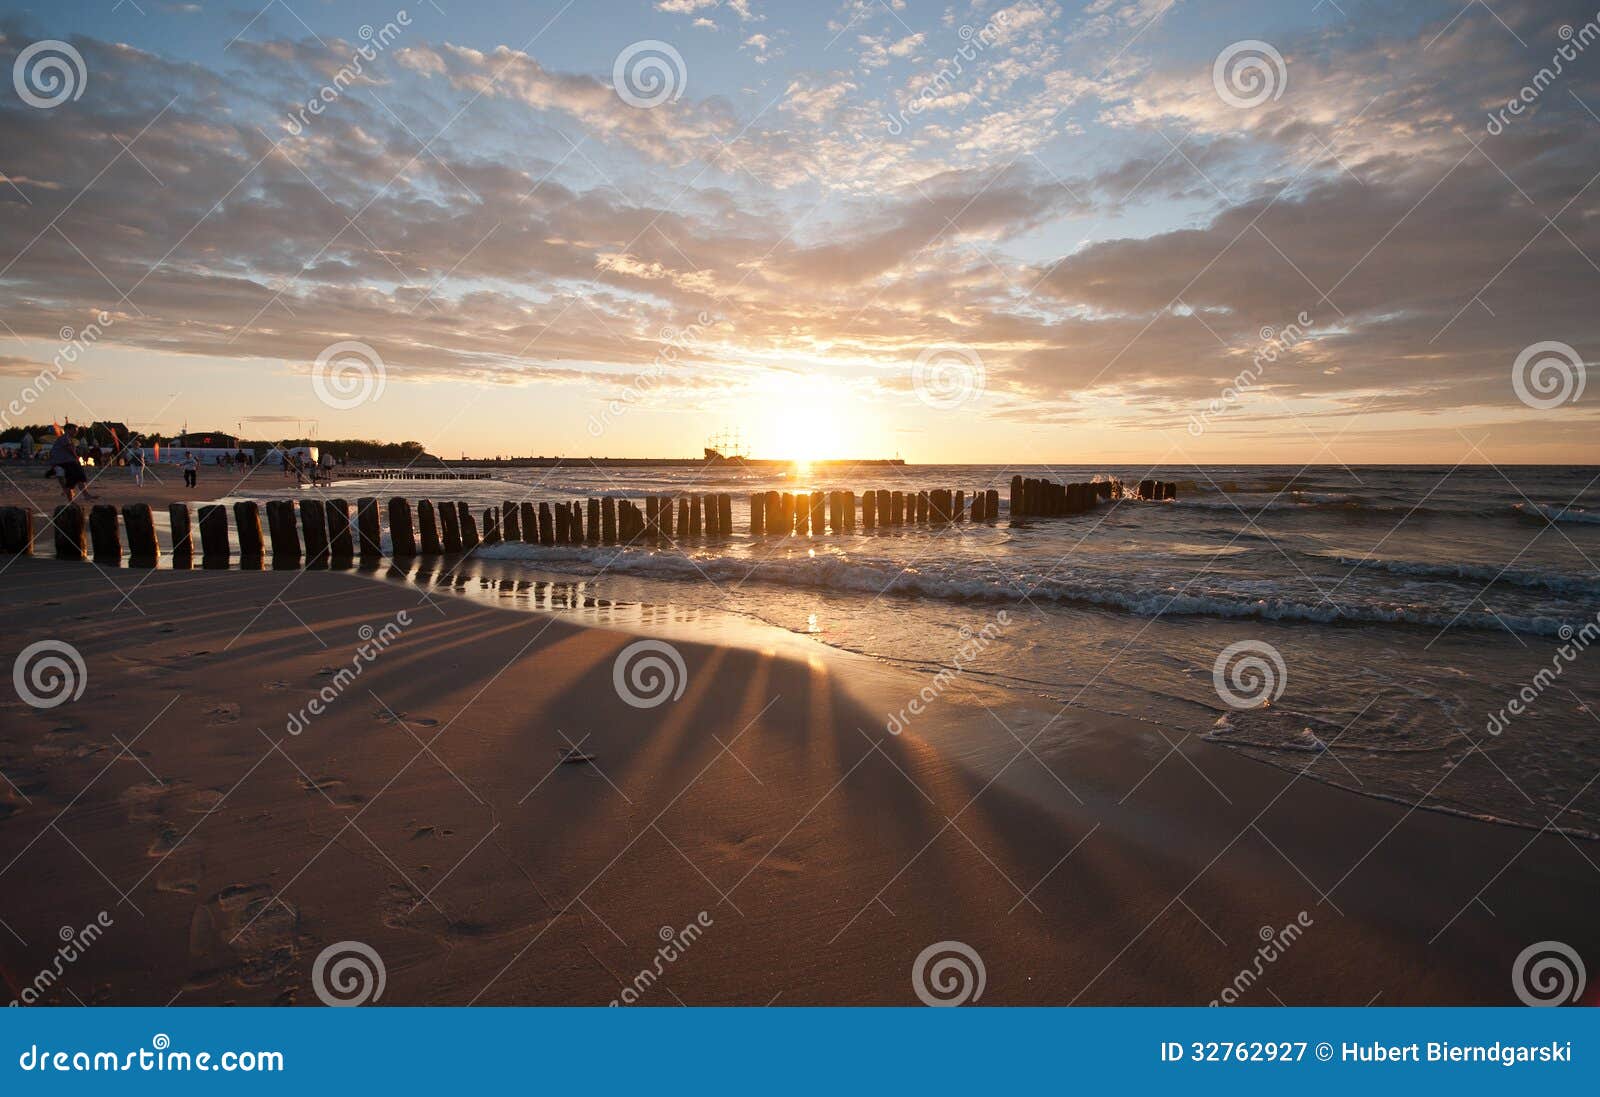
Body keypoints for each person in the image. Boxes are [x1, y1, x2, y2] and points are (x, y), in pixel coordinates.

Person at [47, 424, 89, 501]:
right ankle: (85, 495)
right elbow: (71, 450)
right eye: (74, 430)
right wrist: (77, 459)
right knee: (79, 476)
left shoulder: (65, 438)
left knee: (74, 478)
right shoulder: (65, 438)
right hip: (65, 462)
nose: (76, 432)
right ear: (67, 430)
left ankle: (74, 497)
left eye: (76, 431)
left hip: (62, 462)